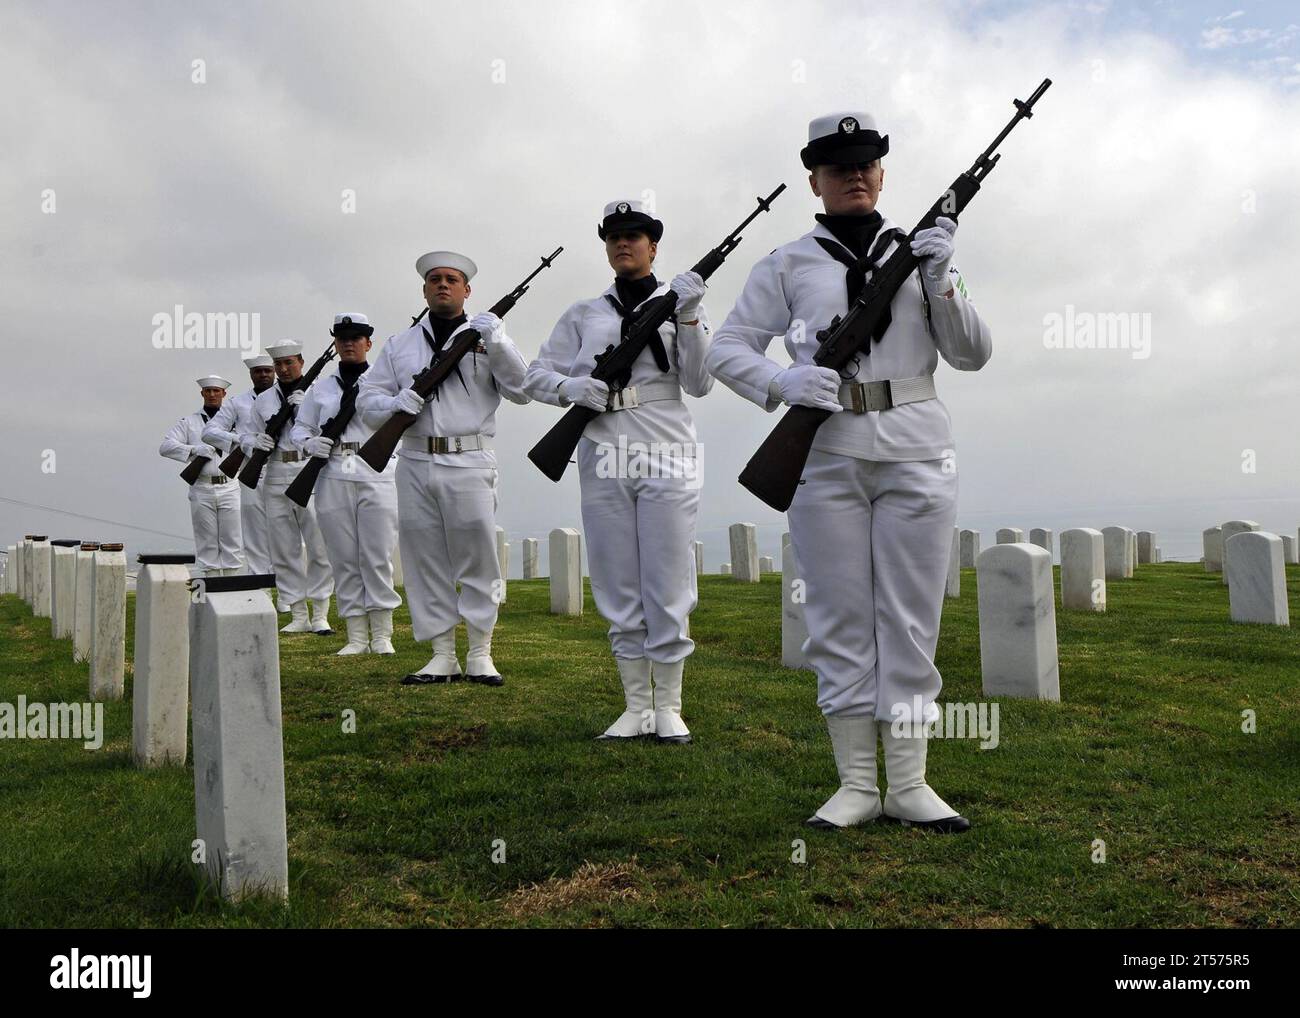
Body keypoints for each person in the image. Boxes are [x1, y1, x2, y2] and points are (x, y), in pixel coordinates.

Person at [706, 111, 992, 831]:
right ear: (816, 180)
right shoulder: (786, 262)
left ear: (883, 173)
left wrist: (941, 276)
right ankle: (857, 784)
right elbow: (727, 347)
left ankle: (912, 784)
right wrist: (781, 383)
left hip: (917, 450)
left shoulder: (928, 251)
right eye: (839, 167)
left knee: (910, 617)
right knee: (837, 616)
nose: (855, 175)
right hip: (826, 452)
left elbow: (972, 354)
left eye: (866, 163)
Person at [524, 199, 712, 743]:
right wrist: (567, 388)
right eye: (614, 237)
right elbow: (538, 372)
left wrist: (693, 318)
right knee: (615, 576)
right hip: (603, 446)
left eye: (635, 235)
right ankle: (635, 705)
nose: (623, 244)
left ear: (654, 246)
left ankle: (670, 705)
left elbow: (700, 383)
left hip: (667, 449)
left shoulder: (680, 306)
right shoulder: (585, 313)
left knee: (669, 576)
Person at [356, 251, 530, 685]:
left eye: (452, 279)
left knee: (478, 558)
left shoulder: (488, 337)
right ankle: (440, 654)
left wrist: (500, 343)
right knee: (424, 558)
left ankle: (480, 651)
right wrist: (394, 404)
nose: (443, 285)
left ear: (467, 290)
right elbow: (365, 400)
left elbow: (523, 389)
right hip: (414, 458)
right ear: (424, 289)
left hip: (469, 458)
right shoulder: (400, 344)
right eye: (435, 279)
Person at [291, 314, 400, 655]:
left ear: (369, 343)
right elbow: (299, 429)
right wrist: (310, 445)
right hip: (335, 467)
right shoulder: (320, 389)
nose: (349, 343)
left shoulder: (384, 381)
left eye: (357, 338)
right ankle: (356, 635)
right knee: (343, 556)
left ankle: (382, 635)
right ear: (335, 344)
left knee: (377, 554)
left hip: (373, 466)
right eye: (343, 338)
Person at [249, 340, 336, 634]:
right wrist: (254, 444)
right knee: (283, 549)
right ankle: (297, 612)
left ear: (301, 362)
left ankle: (320, 611)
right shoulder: (262, 401)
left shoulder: (320, 392)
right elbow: (250, 435)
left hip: (308, 468)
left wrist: (303, 411)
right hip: (275, 472)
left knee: (319, 545)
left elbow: (331, 427)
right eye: (279, 365)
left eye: (289, 363)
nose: (284, 369)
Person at [203, 353, 277, 588]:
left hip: (282, 468)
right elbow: (209, 432)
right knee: (254, 532)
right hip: (252, 470)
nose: (263, 375)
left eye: (267, 370)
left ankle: (285, 589)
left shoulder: (287, 397)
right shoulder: (238, 402)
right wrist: (241, 439)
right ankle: (260, 585)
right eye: (258, 371)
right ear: (251, 375)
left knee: (283, 530)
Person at [159, 375, 244, 575]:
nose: (212, 394)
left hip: (229, 485)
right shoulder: (189, 422)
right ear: (202, 393)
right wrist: (194, 450)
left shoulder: (235, 421)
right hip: (202, 486)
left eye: (216, 391)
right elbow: (166, 446)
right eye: (209, 391)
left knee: (232, 539)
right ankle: (212, 585)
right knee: (206, 541)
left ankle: (230, 585)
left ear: (224, 394)